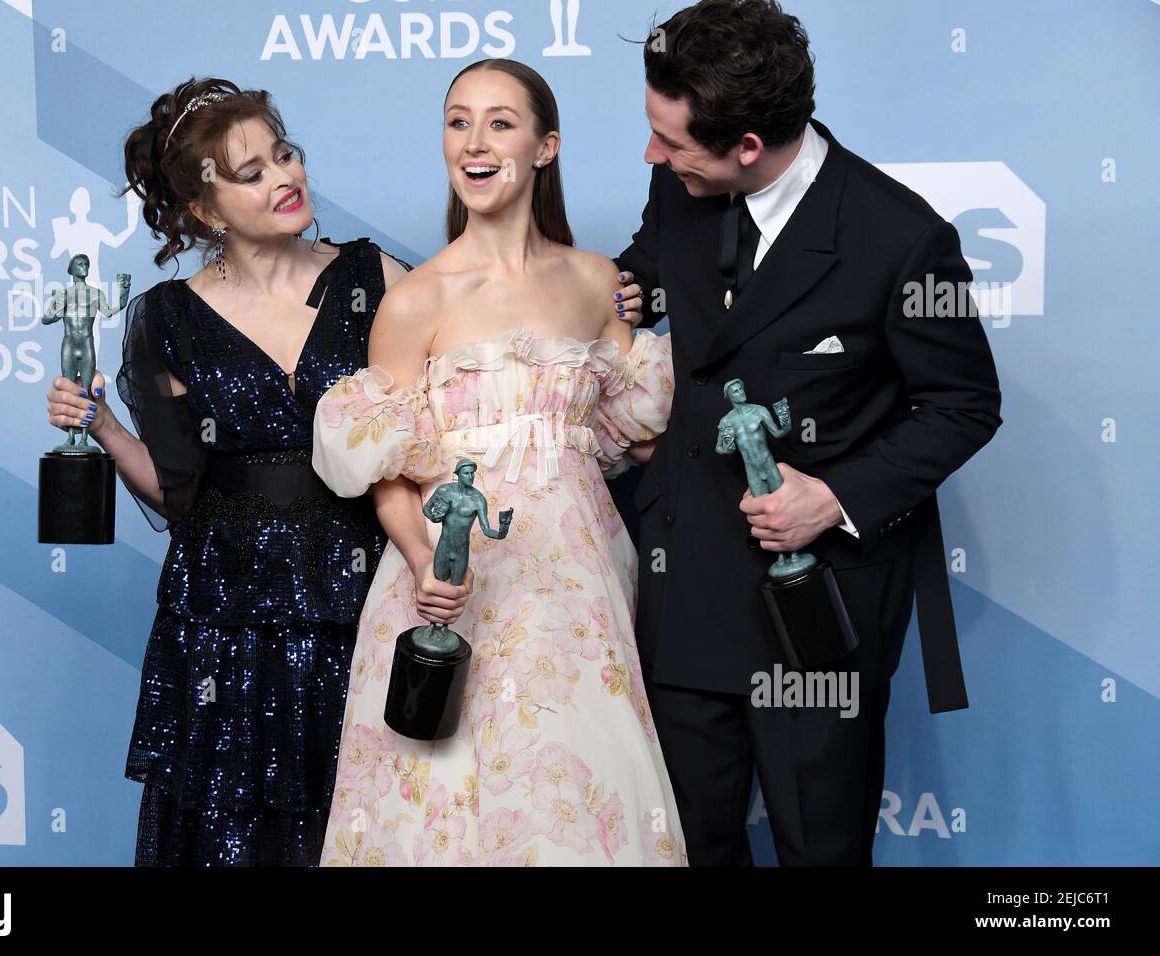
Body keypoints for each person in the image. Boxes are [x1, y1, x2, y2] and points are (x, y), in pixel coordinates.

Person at [614, 0, 1001, 866]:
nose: (652, 156)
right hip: (681, 592)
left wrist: (832, 498)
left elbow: (964, 405)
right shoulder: (679, 184)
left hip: (814, 611)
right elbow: (656, 271)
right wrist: (627, 290)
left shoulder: (901, 239)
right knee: (687, 847)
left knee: (819, 848)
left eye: (671, 143)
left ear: (747, 144)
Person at [311, 58, 687, 866]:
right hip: (450, 584)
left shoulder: (595, 282)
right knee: (444, 805)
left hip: (578, 587)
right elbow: (388, 472)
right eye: (457, 120)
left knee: (580, 798)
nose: (473, 143)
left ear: (546, 147)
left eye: (500, 123)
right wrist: (420, 562)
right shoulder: (416, 298)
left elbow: (641, 435)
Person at [44, 76, 417, 866]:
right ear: (208, 211)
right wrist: (103, 424)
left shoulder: (373, 276)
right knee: (239, 827)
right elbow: (179, 496)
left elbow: (455, 391)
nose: (286, 178)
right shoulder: (168, 317)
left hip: (365, 589)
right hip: (229, 614)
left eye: (285, 154)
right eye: (254, 173)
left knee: (376, 807)